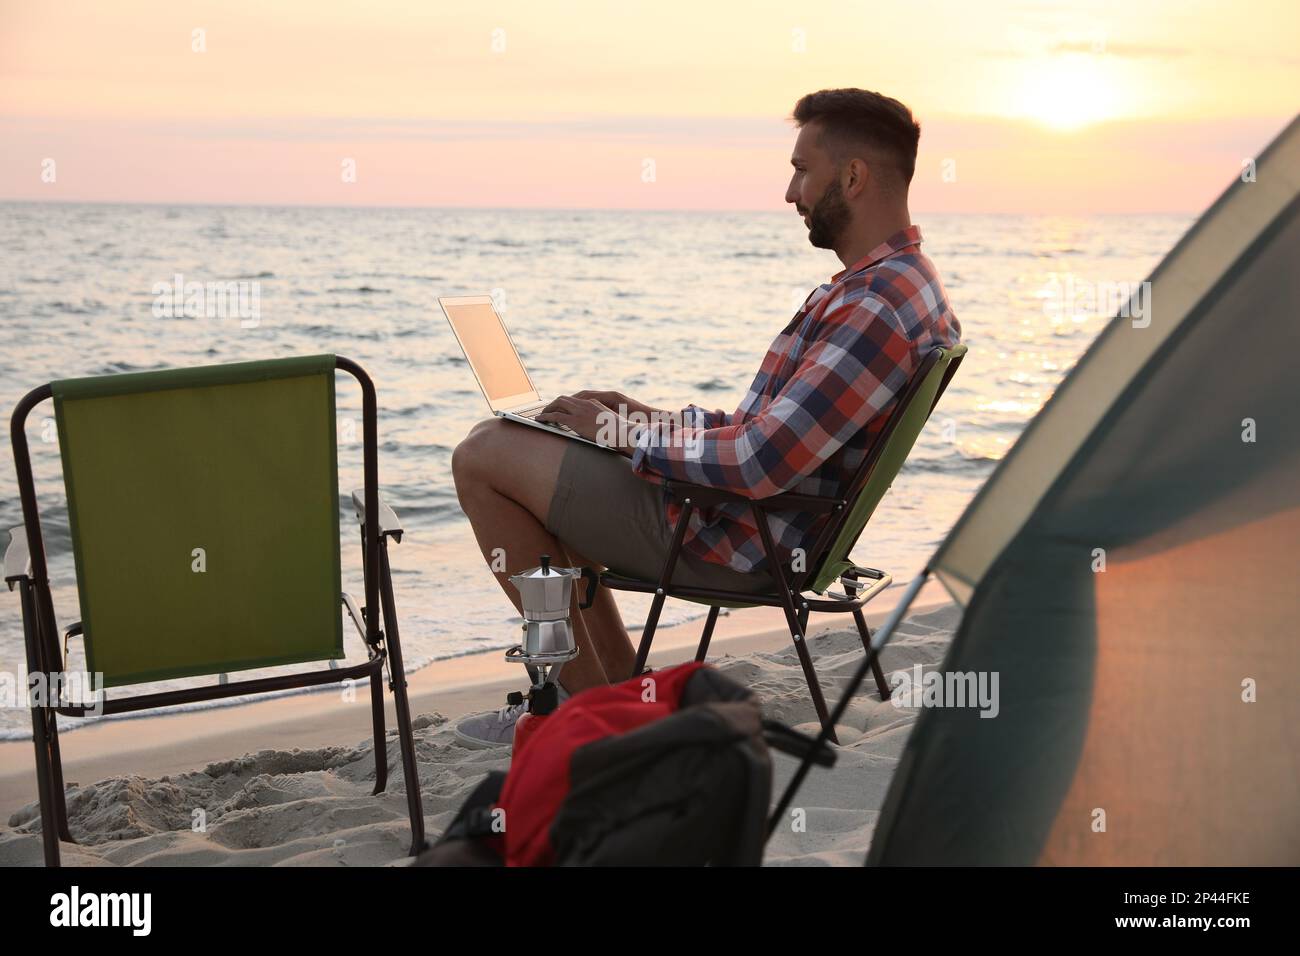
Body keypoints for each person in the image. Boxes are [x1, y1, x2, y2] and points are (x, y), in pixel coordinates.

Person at [452, 88, 962, 747]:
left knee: (484, 457)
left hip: (737, 536)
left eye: (802, 169)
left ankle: (580, 715)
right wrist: (646, 419)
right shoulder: (899, 286)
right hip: (761, 519)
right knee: (517, 449)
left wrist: (622, 436)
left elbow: (758, 462)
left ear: (854, 176)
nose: (790, 192)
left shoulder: (873, 305)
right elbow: (768, 428)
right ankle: (602, 699)